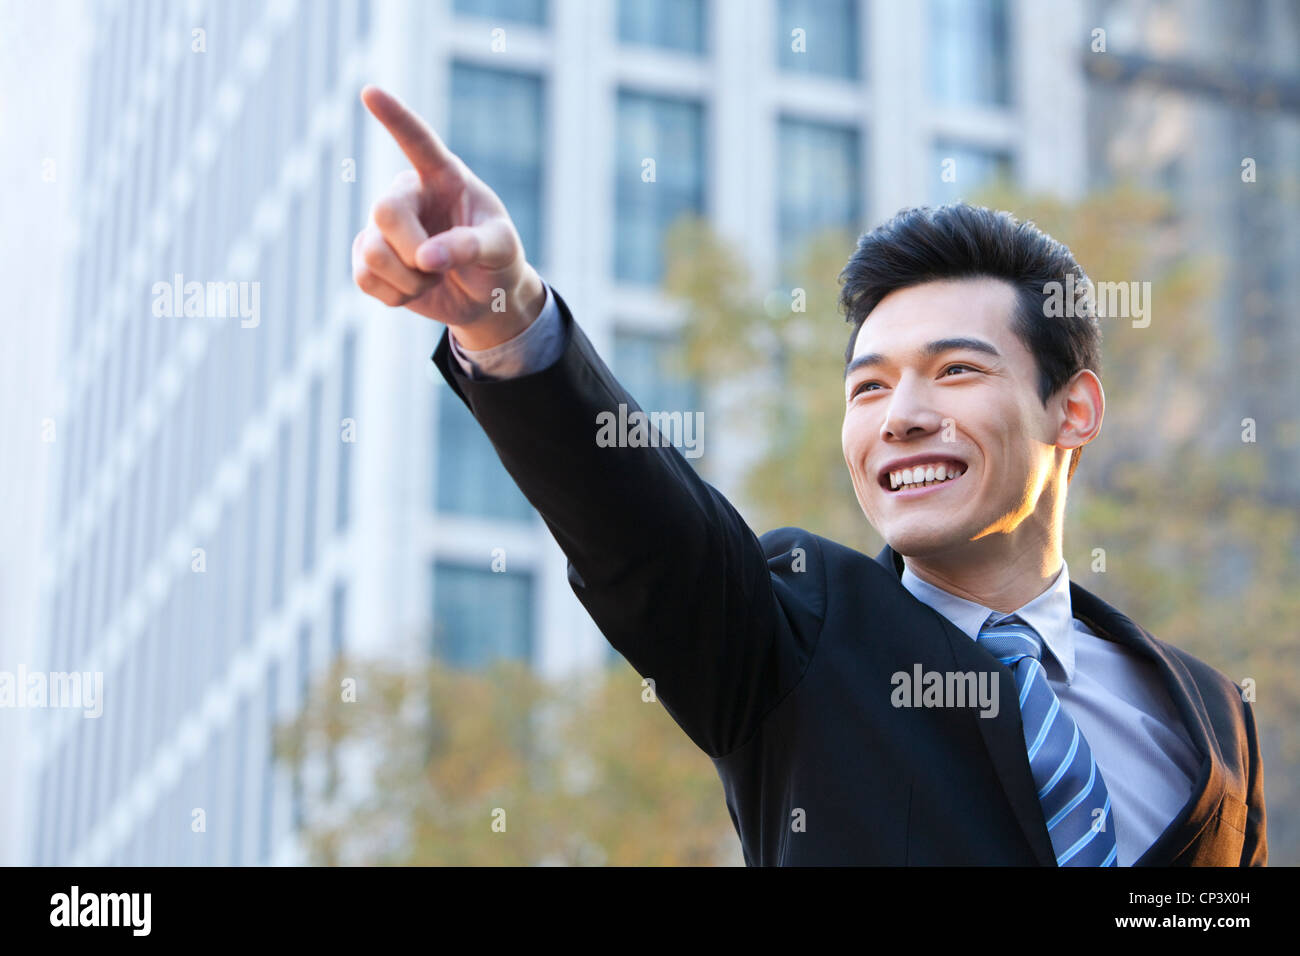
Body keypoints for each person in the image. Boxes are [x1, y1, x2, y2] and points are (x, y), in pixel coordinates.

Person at [350, 86, 1267, 866]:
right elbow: (643, 529)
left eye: (955, 370)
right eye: (868, 386)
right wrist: (507, 320)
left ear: (1074, 410)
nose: (899, 415)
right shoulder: (794, 639)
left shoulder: (1209, 716)